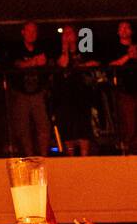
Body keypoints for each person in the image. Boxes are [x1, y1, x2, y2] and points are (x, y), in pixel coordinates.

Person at [54, 24, 101, 156]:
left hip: (82, 95)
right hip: (65, 96)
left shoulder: (85, 49)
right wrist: (65, 49)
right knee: (68, 126)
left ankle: (84, 155)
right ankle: (71, 156)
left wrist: (82, 65)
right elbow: (62, 64)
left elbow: (95, 63)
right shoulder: (57, 52)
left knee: (83, 126)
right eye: (65, 33)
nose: (67, 36)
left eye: (70, 33)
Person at [6, 21, 50, 157]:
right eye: (29, 31)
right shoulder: (15, 49)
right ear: (23, 32)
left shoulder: (42, 48)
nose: (32, 34)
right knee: (23, 127)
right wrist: (34, 62)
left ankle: (44, 156)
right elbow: (17, 64)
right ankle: (29, 155)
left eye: (34, 31)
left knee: (43, 125)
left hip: (38, 93)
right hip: (21, 94)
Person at [108, 20, 137, 153]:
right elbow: (112, 64)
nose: (124, 30)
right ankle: (129, 150)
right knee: (128, 122)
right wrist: (128, 56)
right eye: (121, 28)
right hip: (125, 90)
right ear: (118, 32)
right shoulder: (114, 48)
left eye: (127, 28)